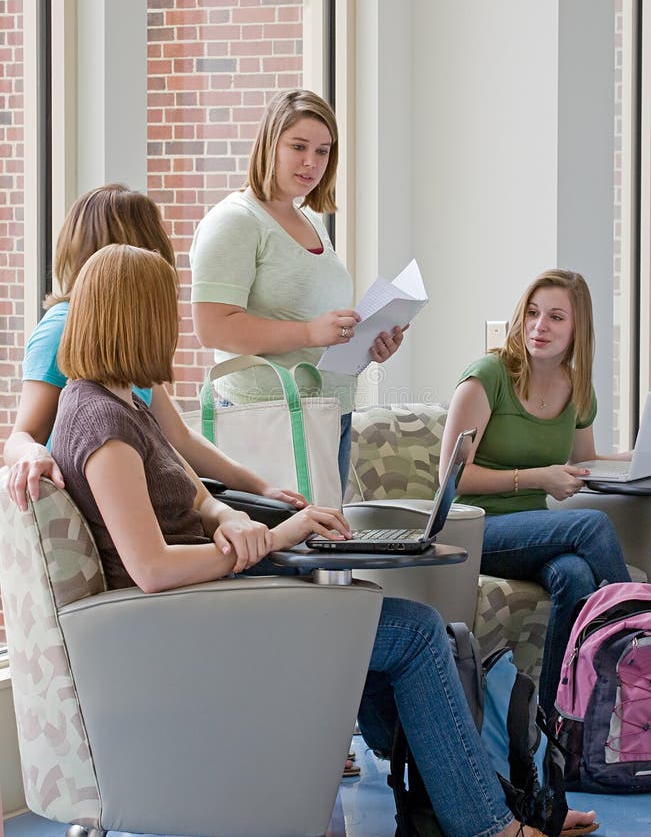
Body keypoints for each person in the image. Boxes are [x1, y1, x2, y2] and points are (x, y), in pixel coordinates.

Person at [50, 245, 596, 837]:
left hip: (208, 601)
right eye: (167, 311)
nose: (176, 327)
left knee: (382, 618)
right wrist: (271, 539)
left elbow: (190, 493)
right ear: (136, 319)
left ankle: (481, 805)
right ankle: (488, 822)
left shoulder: (120, 404)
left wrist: (229, 517)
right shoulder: (104, 426)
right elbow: (151, 568)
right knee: (415, 634)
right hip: (191, 620)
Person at [4, 185, 305, 559]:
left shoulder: (127, 357)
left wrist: (260, 489)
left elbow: (178, 437)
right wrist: (31, 451)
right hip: (111, 509)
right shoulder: (68, 337)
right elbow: (23, 434)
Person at [190, 88, 406, 492]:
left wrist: (366, 343)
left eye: (323, 151)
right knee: (280, 533)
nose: (312, 162)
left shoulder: (312, 223)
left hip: (329, 412)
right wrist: (309, 332)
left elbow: (315, 329)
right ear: (269, 145)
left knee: (324, 532)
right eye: (298, 146)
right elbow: (213, 326)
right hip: (267, 416)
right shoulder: (235, 221)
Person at [439, 269, 631, 719]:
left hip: (531, 533)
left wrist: (637, 459)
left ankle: (554, 722)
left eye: (556, 317)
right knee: (591, 525)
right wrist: (538, 478)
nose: (539, 326)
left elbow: (586, 460)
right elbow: (453, 479)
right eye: (532, 313)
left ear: (578, 328)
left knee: (575, 576)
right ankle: (639, 634)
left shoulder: (578, 389)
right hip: (473, 528)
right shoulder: (488, 376)